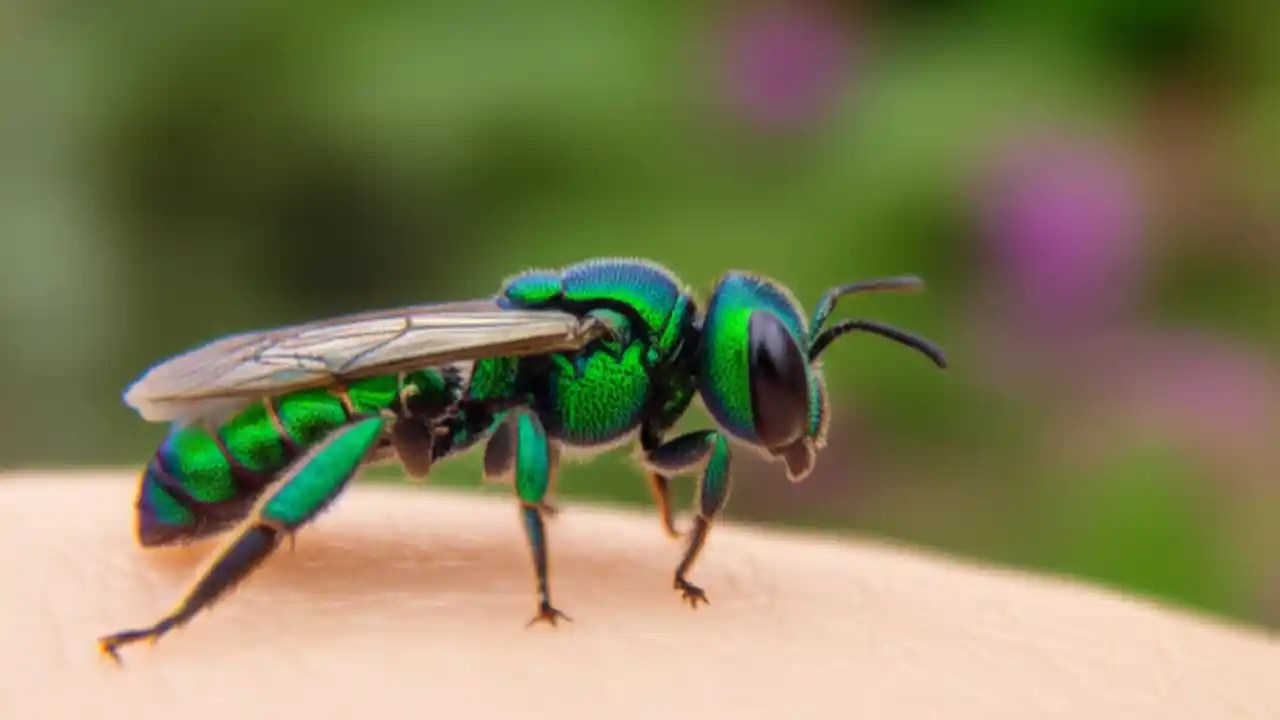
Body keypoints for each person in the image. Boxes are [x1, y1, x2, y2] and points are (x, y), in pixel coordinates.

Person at [3, 472, 1277, 718]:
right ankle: (186, 616)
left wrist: (682, 531)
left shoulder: (652, 382)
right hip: (236, 464)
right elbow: (532, 437)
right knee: (359, 410)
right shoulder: (598, 348)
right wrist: (541, 569)